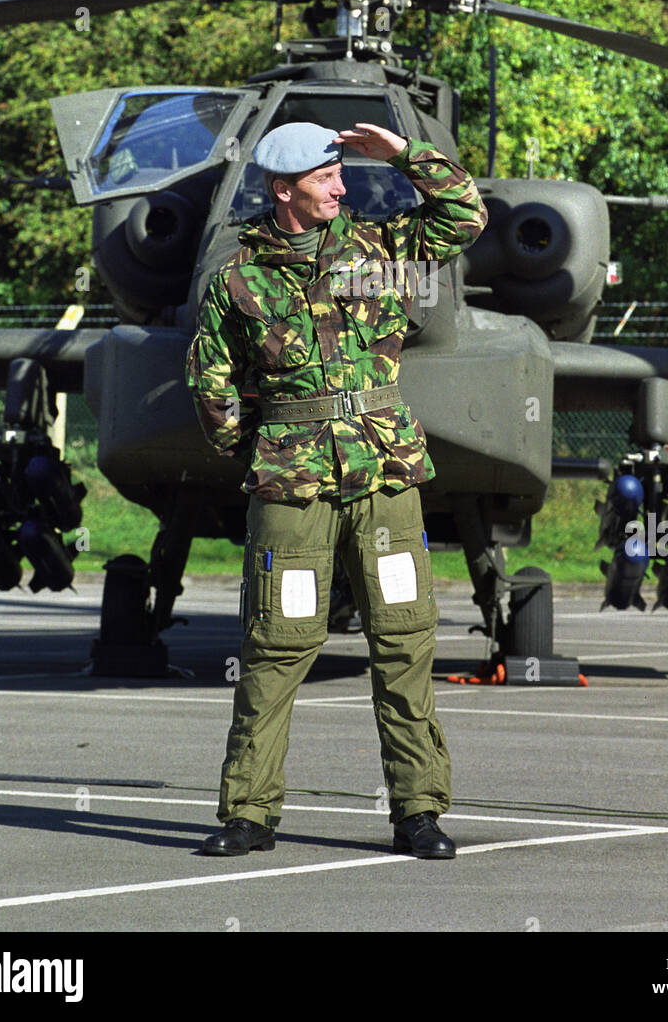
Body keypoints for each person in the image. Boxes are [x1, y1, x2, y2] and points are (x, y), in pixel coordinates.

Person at [186, 119, 487, 858]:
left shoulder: (382, 250)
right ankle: (248, 814)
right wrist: (263, 450)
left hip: (384, 477)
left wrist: (405, 155)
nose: (340, 188)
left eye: (341, 176)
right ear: (283, 188)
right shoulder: (237, 279)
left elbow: (465, 214)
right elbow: (210, 383)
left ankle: (418, 812)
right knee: (276, 644)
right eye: (326, 178)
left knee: (404, 639)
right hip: (293, 489)